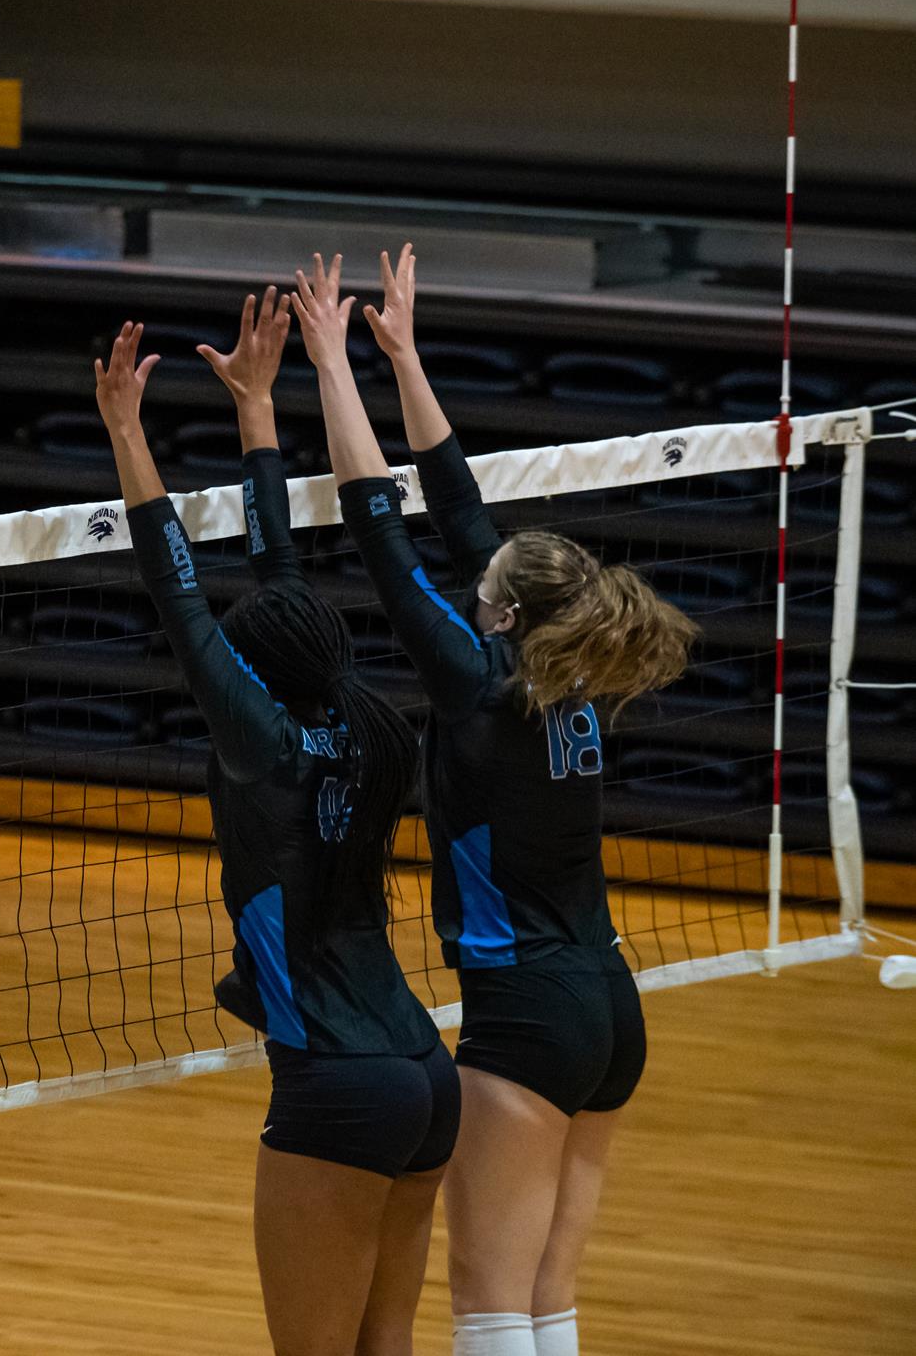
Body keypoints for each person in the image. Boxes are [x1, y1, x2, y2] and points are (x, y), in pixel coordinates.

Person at [292, 247, 698, 1356]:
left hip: (526, 1016)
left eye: (481, 590)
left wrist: (329, 359)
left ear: (503, 616)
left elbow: (378, 523)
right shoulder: (568, 666)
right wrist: (404, 356)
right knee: (547, 1299)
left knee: (487, 1306)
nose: (470, 584)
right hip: (608, 1007)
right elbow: (458, 506)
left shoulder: (475, 681)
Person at [96, 304, 453, 1355]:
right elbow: (280, 579)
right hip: (424, 1074)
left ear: (255, 682)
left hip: (338, 1090)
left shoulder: (265, 747)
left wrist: (126, 428)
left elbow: (180, 596)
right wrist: (254, 410)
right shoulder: (355, 718)